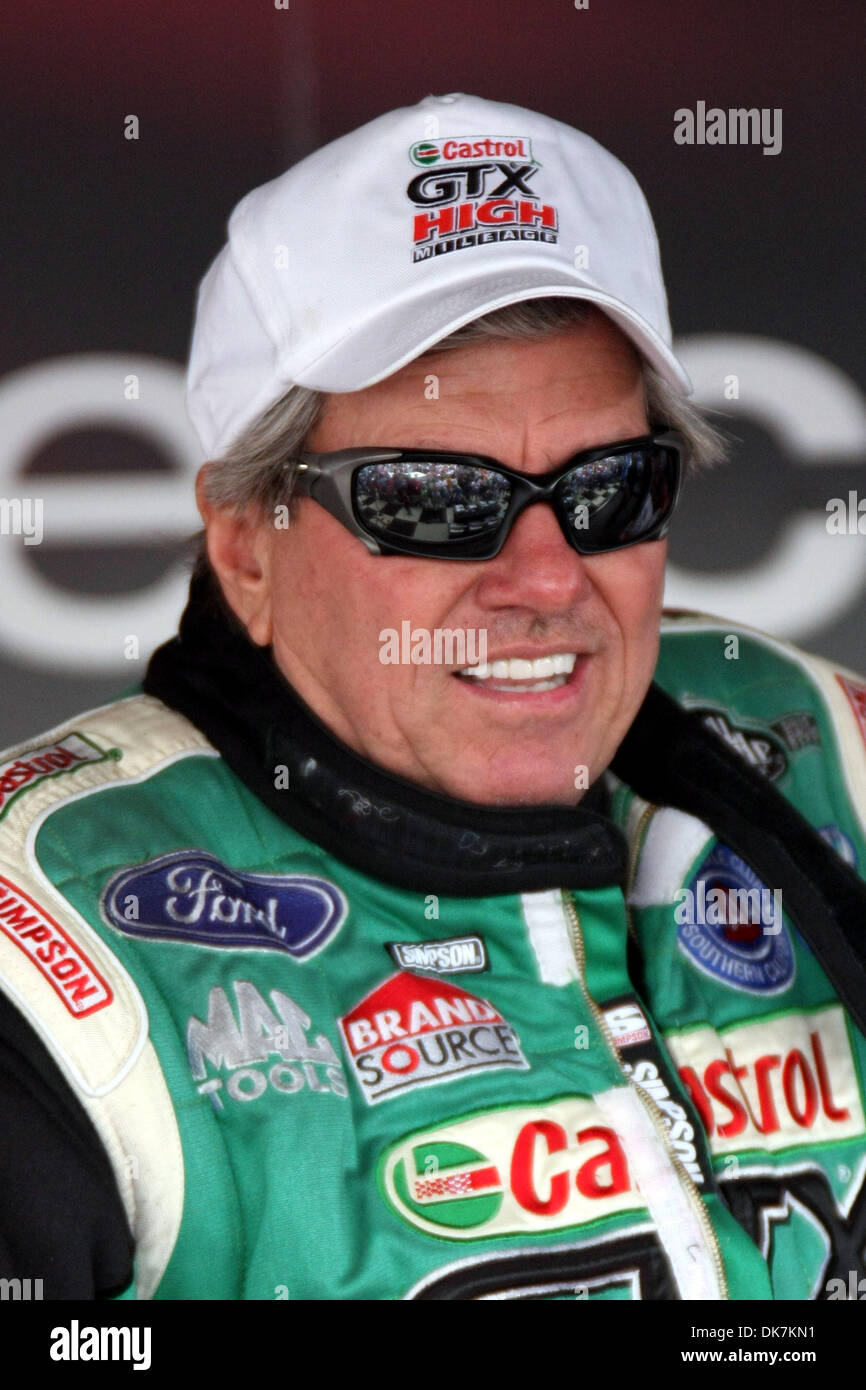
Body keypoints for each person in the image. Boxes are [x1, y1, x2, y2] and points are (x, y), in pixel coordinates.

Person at [1, 93, 865, 1303]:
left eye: (607, 487)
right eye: (432, 501)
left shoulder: (823, 745)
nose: (548, 577)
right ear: (248, 544)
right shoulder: (45, 955)